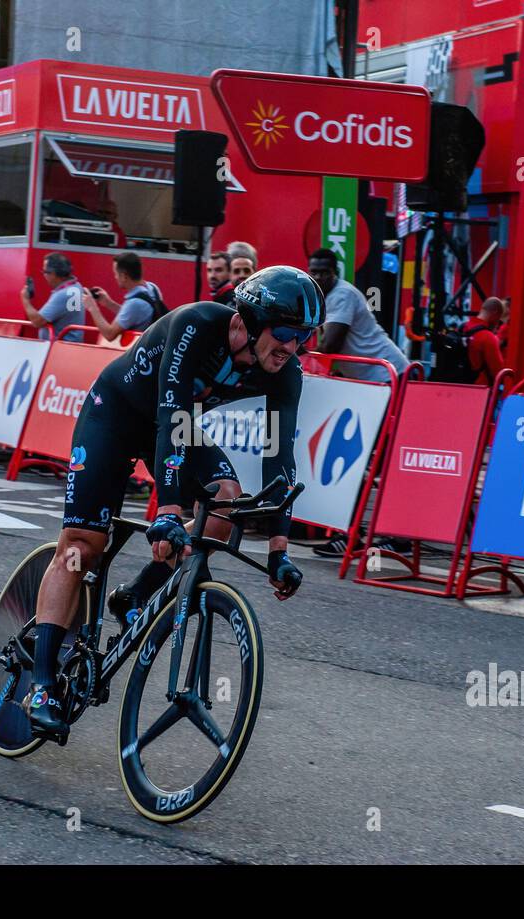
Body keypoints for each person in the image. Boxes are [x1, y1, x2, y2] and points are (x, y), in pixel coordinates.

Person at [21, 266, 324, 737]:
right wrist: (168, 510)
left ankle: (138, 593)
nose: (291, 347)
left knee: (228, 500)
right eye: (283, 333)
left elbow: (279, 456)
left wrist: (279, 551)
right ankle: (39, 685)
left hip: (175, 429)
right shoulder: (196, 325)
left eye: (303, 337)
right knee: (84, 544)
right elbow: (172, 413)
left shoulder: (285, 373)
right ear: (247, 320)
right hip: (117, 417)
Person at [308, 248, 408, 385]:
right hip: (373, 376)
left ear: (335, 273)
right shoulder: (322, 295)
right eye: (314, 273)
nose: (318, 278)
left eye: (324, 272)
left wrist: (303, 355)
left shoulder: (342, 294)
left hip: (389, 374)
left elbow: (329, 346)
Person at [84, 251, 165, 340]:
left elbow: (109, 334)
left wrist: (93, 308)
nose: (115, 277)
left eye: (115, 273)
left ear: (123, 276)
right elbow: (132, 316)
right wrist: (109, 303)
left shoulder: (135, 303)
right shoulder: (153, 288)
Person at [21, 251, 85, 343]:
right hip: (70, 347)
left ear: (55, 273)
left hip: (60, 350)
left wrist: (25, 300)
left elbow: (37, 321)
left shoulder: (63, 294)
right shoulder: (76, 286)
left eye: (45, 272)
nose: (44, 275)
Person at [463, 297, 509, 386]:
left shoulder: (462, 328)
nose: (497, 323)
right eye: (498, 319)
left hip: (458, 386)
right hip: (479, 389)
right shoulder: (488, 337)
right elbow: (498, 373)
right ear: (495, 312)